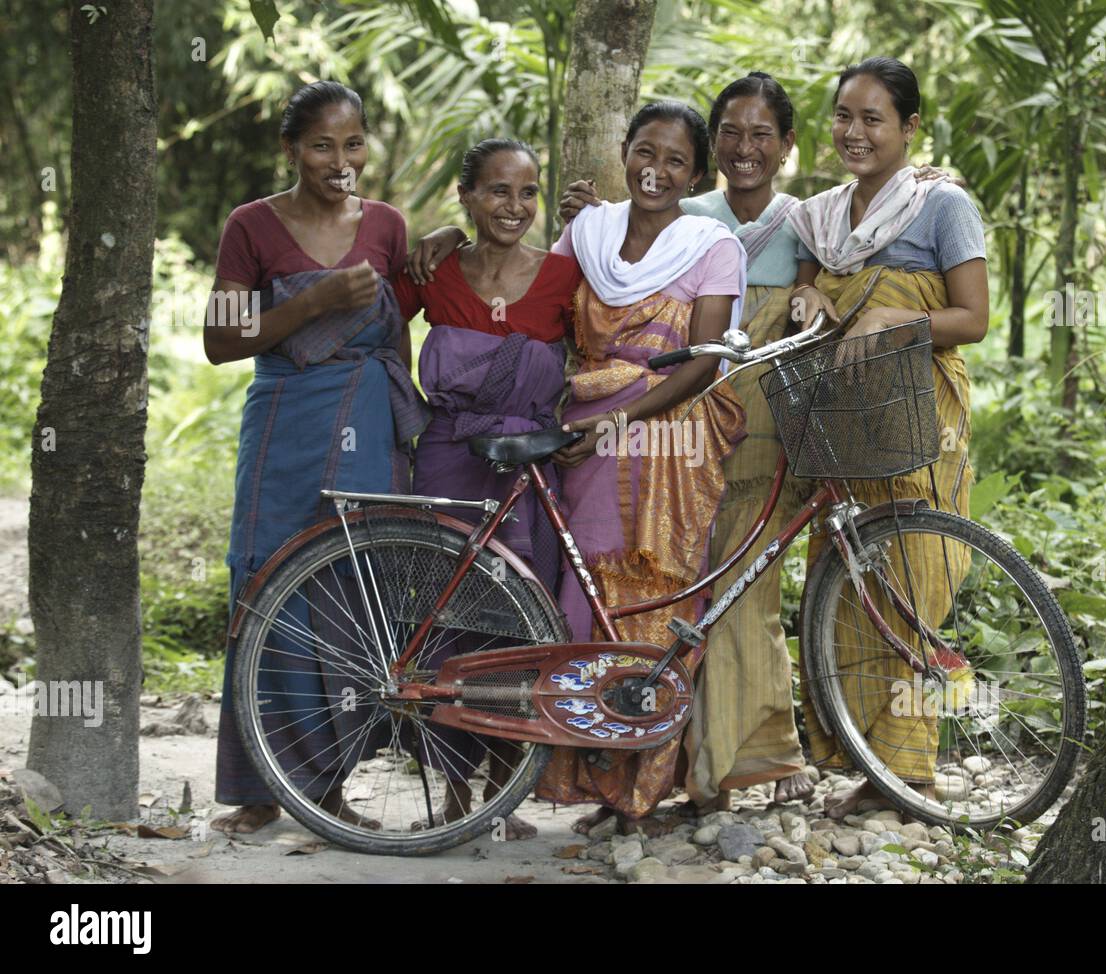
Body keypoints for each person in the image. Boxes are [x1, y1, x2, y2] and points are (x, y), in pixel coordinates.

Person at [554, 73, 952, 816]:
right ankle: (659, 759)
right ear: (709, 151)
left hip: (766, 403)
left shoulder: (810, 221)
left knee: (748, 572)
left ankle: (752, 753)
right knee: (683, 574)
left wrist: (810, 294)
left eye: (762, 135)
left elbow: (836, 273)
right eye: (731, 134)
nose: (746, 149)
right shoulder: (683, 213)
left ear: (788, 144)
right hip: (678, 410)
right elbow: (615, 252)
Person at [205, 81, 430, 835]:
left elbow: (397, 331)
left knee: (351, 590)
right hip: (283, 428)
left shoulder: (389, 227)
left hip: (368, 421)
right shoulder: (251, 227)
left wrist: (407, 432)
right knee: (268, 579)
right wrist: (313, 302)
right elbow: (220, 341)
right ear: (291, 150)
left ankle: (329, 788)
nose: (341, 161)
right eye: (322, 145)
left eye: (354, 143)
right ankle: (259, 789)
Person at [531, 101, 746, 835]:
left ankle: (640, 793)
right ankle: (590, 779)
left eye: (676, 160)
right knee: (584, 603)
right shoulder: (585, 233)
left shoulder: (710, 245)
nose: (656, 169)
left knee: (657, 610)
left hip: (665, 445)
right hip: (584, 439)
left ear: (696, 174)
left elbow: (705, 362)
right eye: (644, 151)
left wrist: (615, 422)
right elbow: (538, 310)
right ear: (623, 150)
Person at [786, 56, 989, 819]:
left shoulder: (942, 208)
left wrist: (896, 317)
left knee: (913, 578)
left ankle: (911, 771)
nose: (854, 132)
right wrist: (809, 291)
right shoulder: (821, 215)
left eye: (873, 119)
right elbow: (810, 287)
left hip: (922, 421)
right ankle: (868, 762)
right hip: (842, 422)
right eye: (843, 115)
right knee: (845, 584)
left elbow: (973, 318)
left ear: (908, 128)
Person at [392, 138, 582, 840]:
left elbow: (605, 347)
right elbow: (377, 335)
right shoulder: (435, 268)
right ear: (467, 196)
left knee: (518, 619)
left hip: (527, 461)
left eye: (528, 192)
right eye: (498, 191)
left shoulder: (565, 273)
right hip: (449, 458)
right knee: (445, 618)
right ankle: (450, 792)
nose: (515, 207)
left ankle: (505, 790)